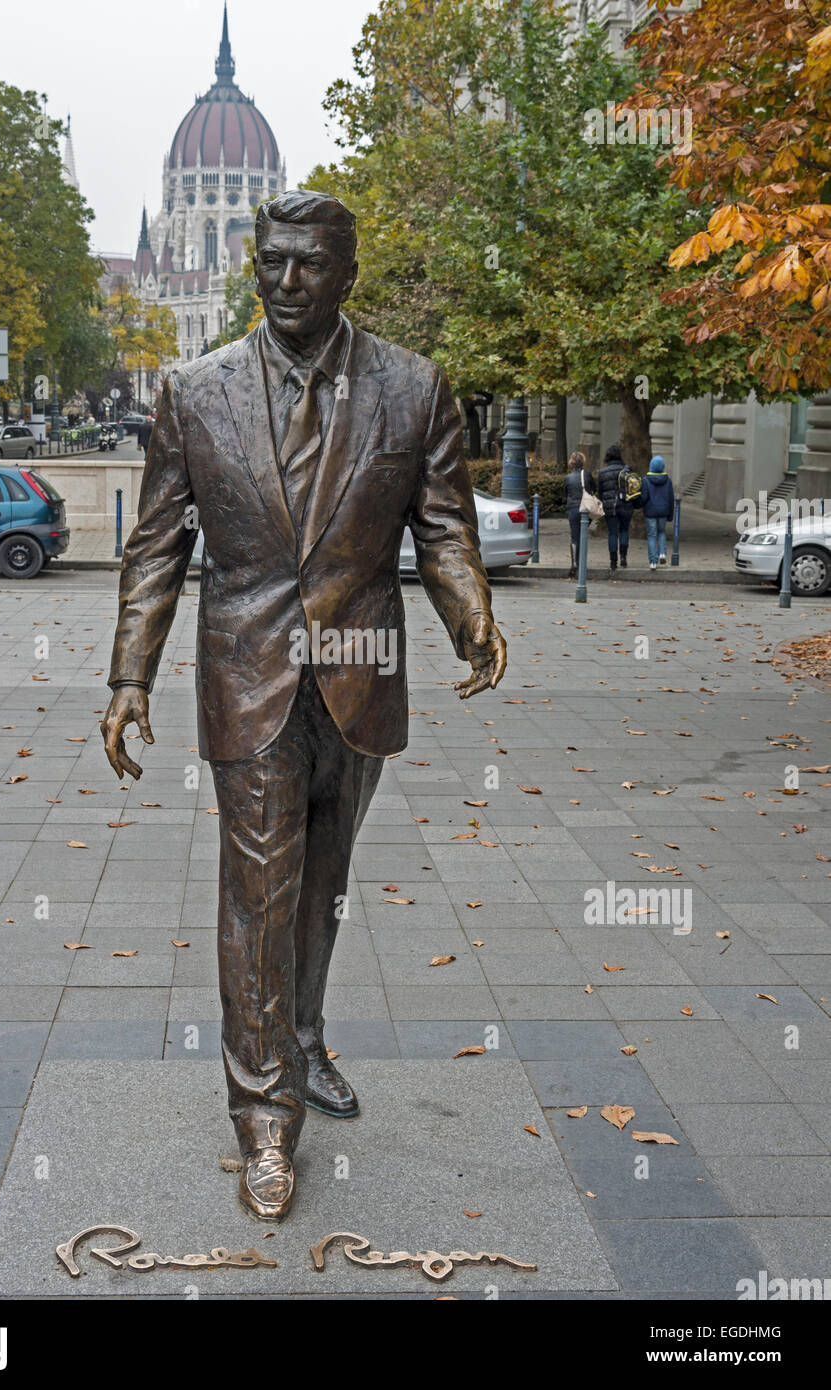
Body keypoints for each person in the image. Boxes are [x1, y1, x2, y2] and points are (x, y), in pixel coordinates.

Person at [101, 190, 506, 1223]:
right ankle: (265, 1118)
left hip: (360, 675)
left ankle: (305, 1039)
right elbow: (156, 545)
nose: (285, 282)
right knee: (258, 891)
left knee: (324, 881)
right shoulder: (195, 390)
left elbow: (446, 527)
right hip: (248, 676)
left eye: (307, 265)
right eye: (270, 262)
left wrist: (471, 617)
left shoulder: (413, 390)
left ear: (346, 273)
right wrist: (129, 675)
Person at [598, 443, 636, 573]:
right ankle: (624, 557)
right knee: (624, 530)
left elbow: (600, 492)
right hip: (626, 505)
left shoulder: (602, 473)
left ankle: (613, 561)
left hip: (610, 507)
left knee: (612, 533)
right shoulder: (627, 470)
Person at [563, 450, 597, 578]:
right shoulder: (587, 475)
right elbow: (594, 489)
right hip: (585, 508)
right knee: (583, 535)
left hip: (572, 508)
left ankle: (574, 562)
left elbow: (565, 493)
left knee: (574, 536)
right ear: (582, 462)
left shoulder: (568, 478)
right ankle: (581, 561)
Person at [640, 454, 675, 568]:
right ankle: (662, 553)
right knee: (662, 532)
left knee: (651, 535)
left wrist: (639, 505)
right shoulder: (668, 481)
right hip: (663, 511)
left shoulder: (646, 480)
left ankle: (653, 562)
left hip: (650, 511)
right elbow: (671, 499)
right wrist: (670, 514)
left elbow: (644, 497)